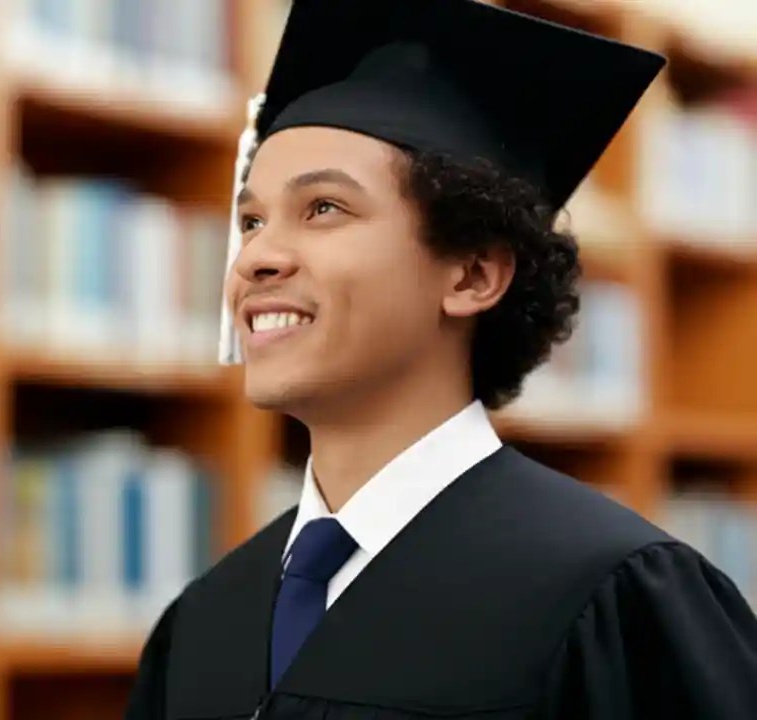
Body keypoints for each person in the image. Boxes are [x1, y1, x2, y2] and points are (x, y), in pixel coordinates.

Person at [123, 0, 757, 718]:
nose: (257, 257)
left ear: (472, 275)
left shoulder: (613, 596)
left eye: (324, 208)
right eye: (251, 220)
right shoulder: (206, 621)